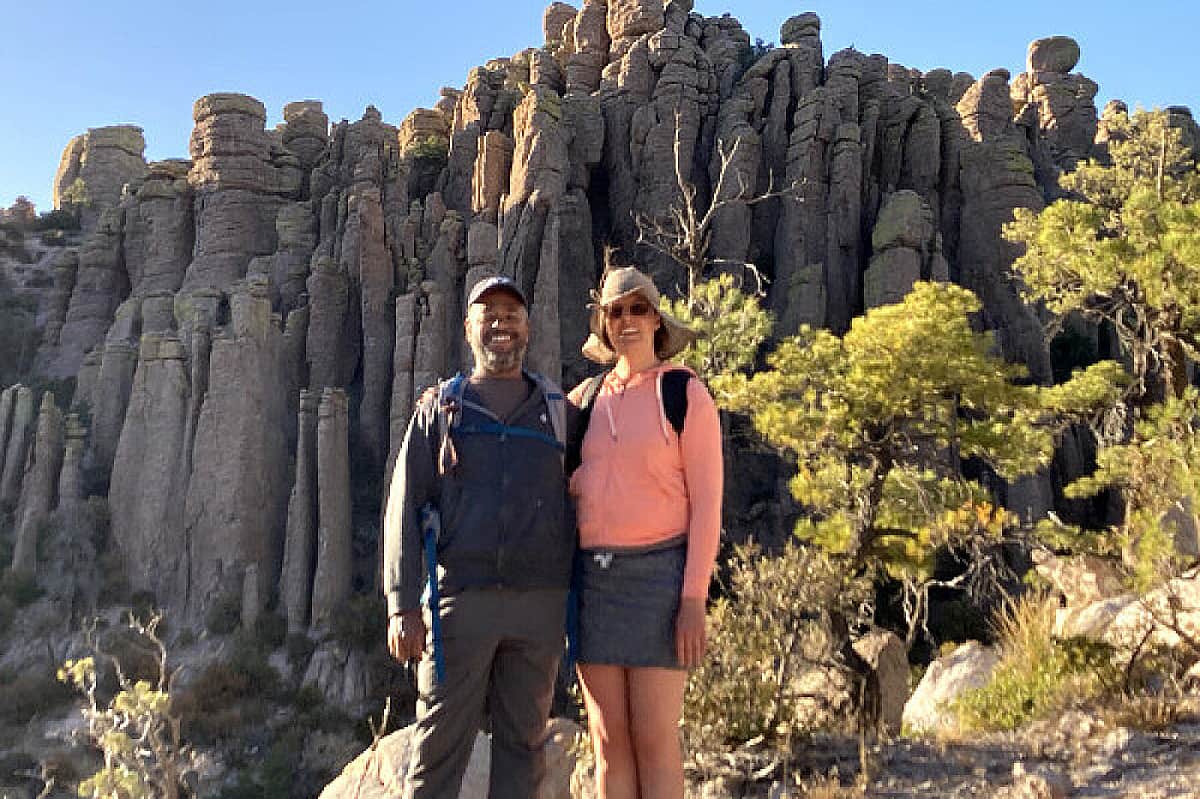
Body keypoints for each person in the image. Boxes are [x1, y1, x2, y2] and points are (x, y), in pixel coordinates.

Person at [382, 275, 576, 798]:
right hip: (458, 608)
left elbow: (592, 496)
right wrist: (401, 604)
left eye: (511, 315)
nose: (500, 325)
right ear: (468, 329)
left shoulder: (559, 414)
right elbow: (403, 505)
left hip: (538, 609)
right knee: (438, 752)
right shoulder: (440, 410)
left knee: (523, 754)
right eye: (488, 315)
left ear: (528, 328)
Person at [568, 265, 724, 799]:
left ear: (657, 319)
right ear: (604, 324)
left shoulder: (684, 393)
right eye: (616, 311)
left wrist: (693, 598)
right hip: (593, 586)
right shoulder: (583, 401)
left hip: (660, 581)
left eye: (639, 309)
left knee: (655, 738)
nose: (627, 320)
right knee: (608, 741)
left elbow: (707, 506)